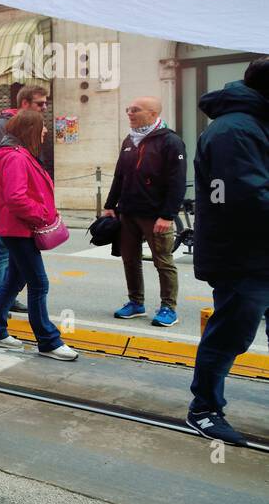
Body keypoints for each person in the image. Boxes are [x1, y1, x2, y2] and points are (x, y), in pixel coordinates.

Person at [186, 59, 269, 446]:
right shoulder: (234, 130)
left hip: (258, 252)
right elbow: (244, 197)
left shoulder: (253, 124)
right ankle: (204, 409)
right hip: (240, 255)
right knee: (231, 333)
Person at [0, 110, 78, 361]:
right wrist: (43, 214)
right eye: (42, 126)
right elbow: (16, 197)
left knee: (14, 281)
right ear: (30, 130)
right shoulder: (16, 157)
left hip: (17, 228)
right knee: (39, 283)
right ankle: (48, 340)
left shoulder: (20, 155)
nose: (45, 131)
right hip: (19, 229)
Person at [104, 97, 186, 327]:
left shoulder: (170, 141)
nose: (129, 113)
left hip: (155, 215)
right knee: (130, 260)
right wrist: (110, 205)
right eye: (128, 109)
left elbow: (177, 182)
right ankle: (135, 303)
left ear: (152, 113)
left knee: (163, 262)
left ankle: (169, 308)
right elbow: (119, 175)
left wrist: (168, 215)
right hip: (127, 212)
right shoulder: (129, 140)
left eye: (135, 110)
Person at [0, 85, 48, 316]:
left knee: (16, 270)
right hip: (8, 208)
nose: (44, 107)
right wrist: (1, 196)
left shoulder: (21, 143)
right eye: (40, 103)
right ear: (25, 104)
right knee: (6, 253)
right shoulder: (5, 131)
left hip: (15, 211)